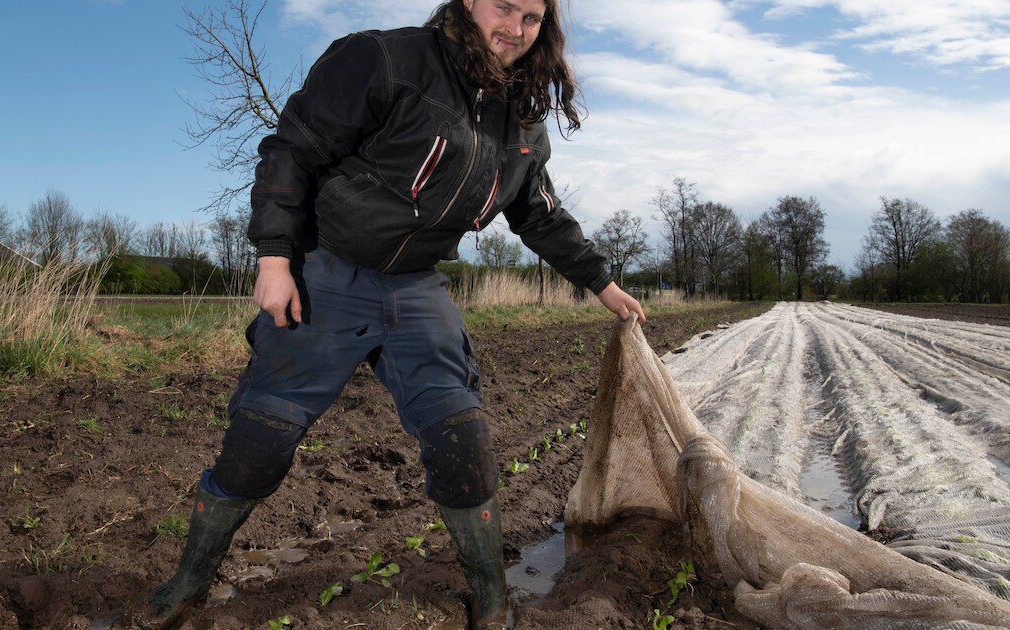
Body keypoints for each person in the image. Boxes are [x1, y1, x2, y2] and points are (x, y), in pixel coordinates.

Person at [134, 0, 645, 628]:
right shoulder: (384, 59)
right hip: (328, 271)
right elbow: (292, 149)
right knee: (259, 442)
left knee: (463, 442)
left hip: (415, 288)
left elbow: (537, 211)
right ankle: (188, 582)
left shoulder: (523, 119)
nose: (515, 29)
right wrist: (273, 258)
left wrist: (601, 283)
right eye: (503, 8)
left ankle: (490, 598)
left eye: (533, 17)